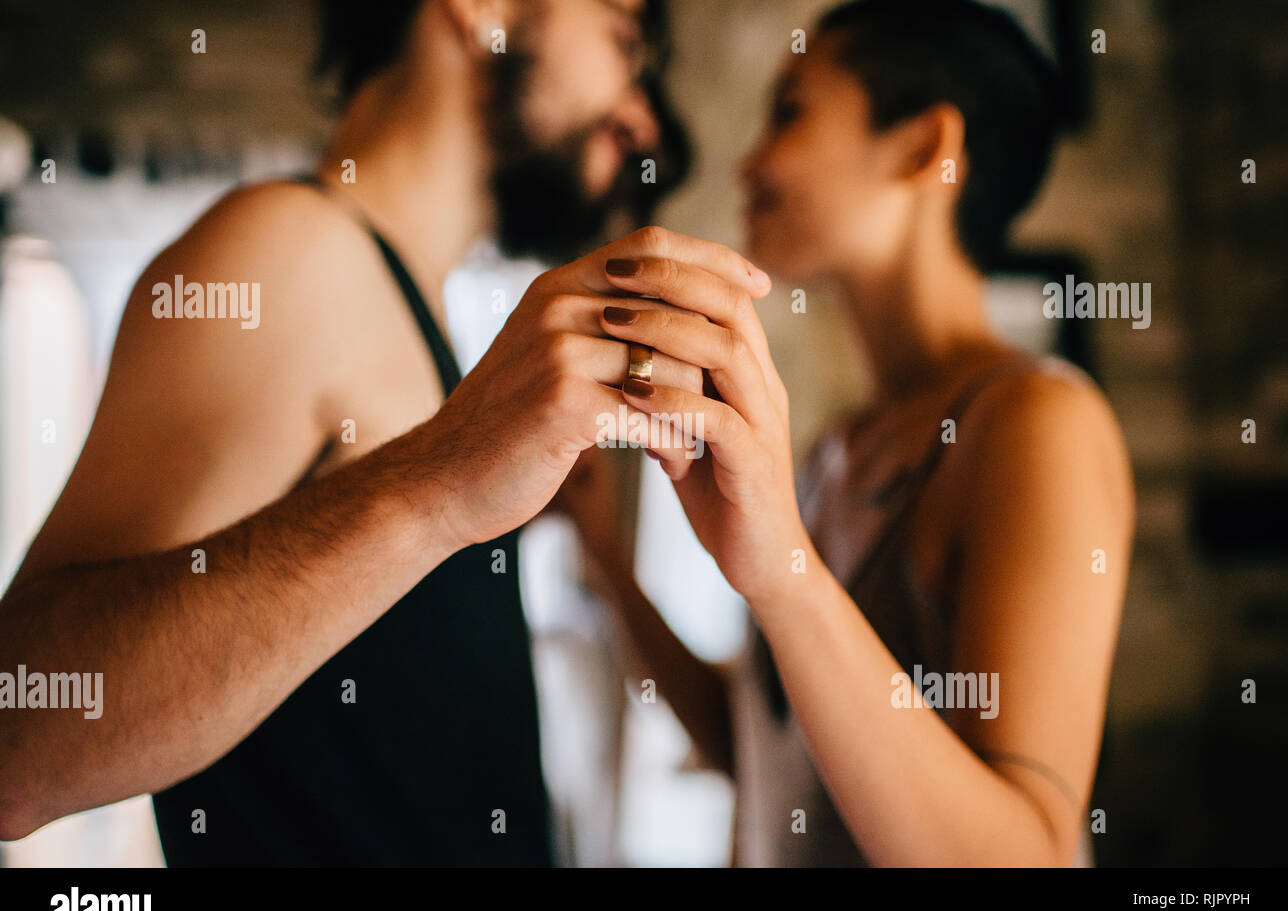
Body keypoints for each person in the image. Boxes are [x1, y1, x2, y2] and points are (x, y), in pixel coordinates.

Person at [0, 0, 772, 865]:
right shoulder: (288, 252)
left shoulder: (409, 298)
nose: (641, 118)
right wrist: (440, 481)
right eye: (624, 42)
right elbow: (16, 739)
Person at [560, 0, 1135, 866]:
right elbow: (759, 749)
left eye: (789, 111)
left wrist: (786, 576)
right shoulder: (828, 450)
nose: (748, 161)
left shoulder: (1033, 424)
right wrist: (604, 555)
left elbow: (1033, 856)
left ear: (922, 147)